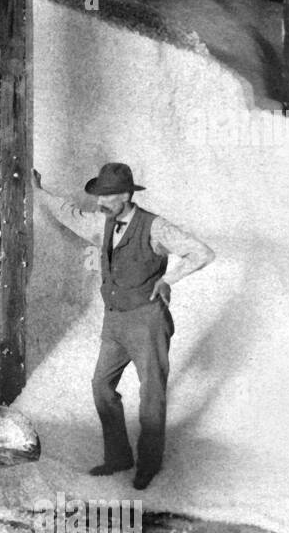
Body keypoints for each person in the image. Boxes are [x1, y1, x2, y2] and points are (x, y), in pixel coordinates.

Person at [34, 162, 215, 490]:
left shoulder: (155, 227)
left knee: (152, 395)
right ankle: (118, 456)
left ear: (127, 195)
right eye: (99, 196)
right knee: (101, 386)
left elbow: (202, 253)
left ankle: (149, 465)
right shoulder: (102, 223)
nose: (100, 202)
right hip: (115, 319)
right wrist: (38, 192)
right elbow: (70, 214)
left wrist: (168, 279)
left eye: (108, 197)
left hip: (147, 320)